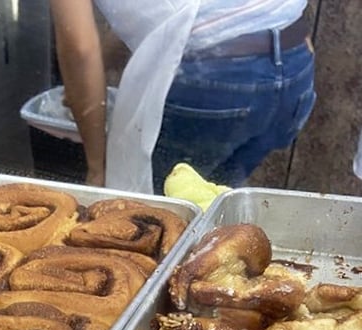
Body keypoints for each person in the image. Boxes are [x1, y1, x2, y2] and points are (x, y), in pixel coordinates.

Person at [49, 0, 316, 194]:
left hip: (213, 80)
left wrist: (97, 166)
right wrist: (98, 69)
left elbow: (80, 49)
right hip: (295, 62)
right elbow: (158, 12)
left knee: (154, 220)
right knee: (209, 200)